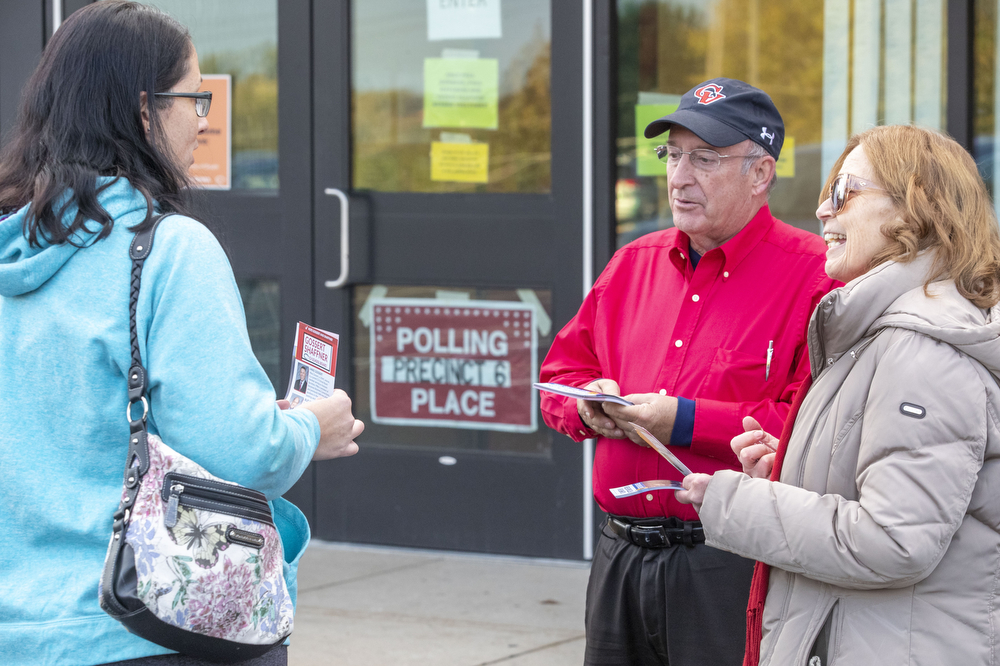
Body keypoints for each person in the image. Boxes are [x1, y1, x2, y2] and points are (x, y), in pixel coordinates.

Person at [0, 3, 363, 665]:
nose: (204, 117)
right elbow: (244, 451)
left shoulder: (9, 256)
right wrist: (312, 427)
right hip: (145, 626)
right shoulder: (168, 250)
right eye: (193, 96)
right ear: (144, 110)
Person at [539, 78, 839, 665]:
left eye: (706, 158)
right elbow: (561, 374)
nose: (680, 177)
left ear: (761, 173)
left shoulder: (815, 278)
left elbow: (814, 425)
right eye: (673, 155)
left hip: (730, 561)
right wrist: (586, 403)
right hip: (619, 554)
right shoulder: (634, 263)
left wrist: (682, 420)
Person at [678, 124, 1000, 666]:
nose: (824, 211)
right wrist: (785, 477)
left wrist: (741, 504)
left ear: (911, 208)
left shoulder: (918, 350)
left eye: (844, 193)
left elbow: (896, 541)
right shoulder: (882, 334)